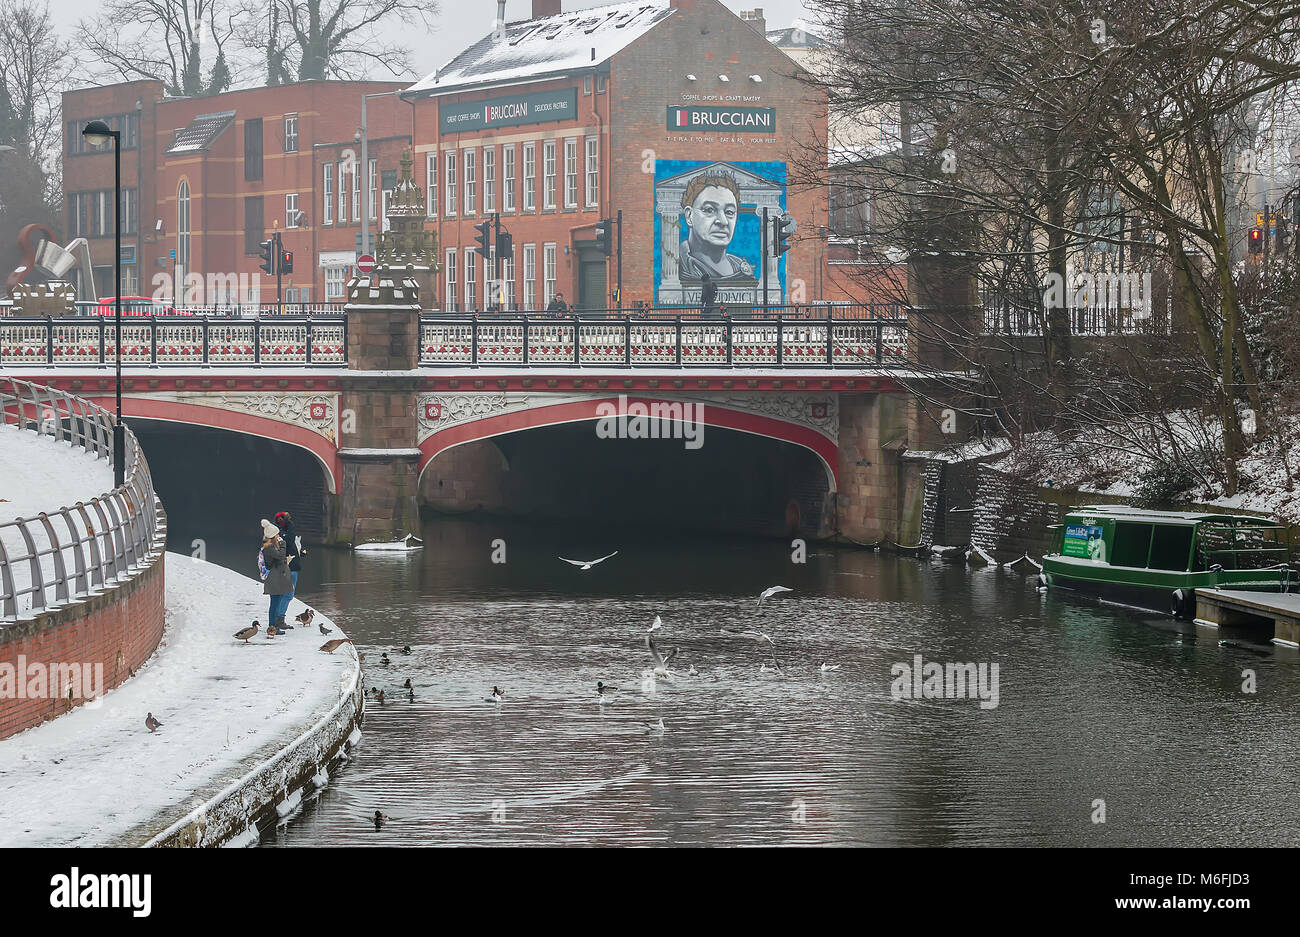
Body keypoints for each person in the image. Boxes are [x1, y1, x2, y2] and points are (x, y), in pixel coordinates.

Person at [677, 172, 756, 280]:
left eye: (729, 212)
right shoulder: (678, 264)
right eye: (710, 210)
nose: (723, 221)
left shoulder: (740, 268)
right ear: (689, 216)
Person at [260, 519, 294, 632]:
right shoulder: (269, 547)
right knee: (274, 603)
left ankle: (274, 625)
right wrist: (283, 545)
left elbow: (279, 558)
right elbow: (280, 557)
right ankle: (272, 626)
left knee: (276, 602)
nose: (279, 535)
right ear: (273, 536)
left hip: (277, 576)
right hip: (275, 579)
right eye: (277, 534)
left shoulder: (272, 546)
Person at [275, 510, 306, 603]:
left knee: (284, 594)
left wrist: (300, 552)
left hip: (285, 566)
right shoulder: (283, 535)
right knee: (287, 595)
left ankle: (279, 615)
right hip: (289, 567)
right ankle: (280, 615)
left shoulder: (276, 533)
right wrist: (290, 524)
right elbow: (289, 541)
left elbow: (292, 545)